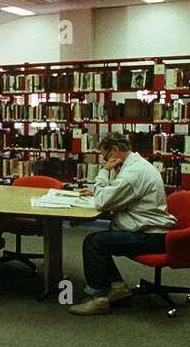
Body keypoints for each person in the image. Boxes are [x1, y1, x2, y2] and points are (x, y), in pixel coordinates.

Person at [69, 134, 178, 315]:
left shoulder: (133, 173)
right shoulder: (136, 165)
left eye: (105, 156)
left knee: (94, 243)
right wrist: (98, 191)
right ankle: (118, 288)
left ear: (114, 150)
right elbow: (116, 193)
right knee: (104, 240)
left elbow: (103, 202)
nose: (106, 161)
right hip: (150, 230)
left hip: (151, 236)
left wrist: (104, 172)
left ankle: (99, 299)